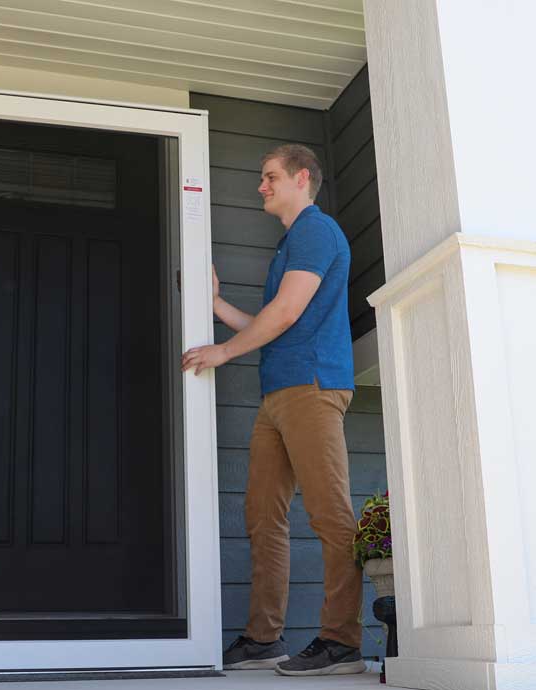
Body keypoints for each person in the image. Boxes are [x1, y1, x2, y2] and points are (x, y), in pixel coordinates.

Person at [181, 144, 364, 676]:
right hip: (279, 391)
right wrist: (215, 306)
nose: (261, 187)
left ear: (301, 178)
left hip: (312, 384)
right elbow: (269, 319)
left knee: (330, 515)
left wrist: (221, 352)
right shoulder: (291, 243)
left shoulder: (315, 230)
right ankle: (264, 639)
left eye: (270, 177)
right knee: (263, 516)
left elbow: (284, 314)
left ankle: (342, 641)